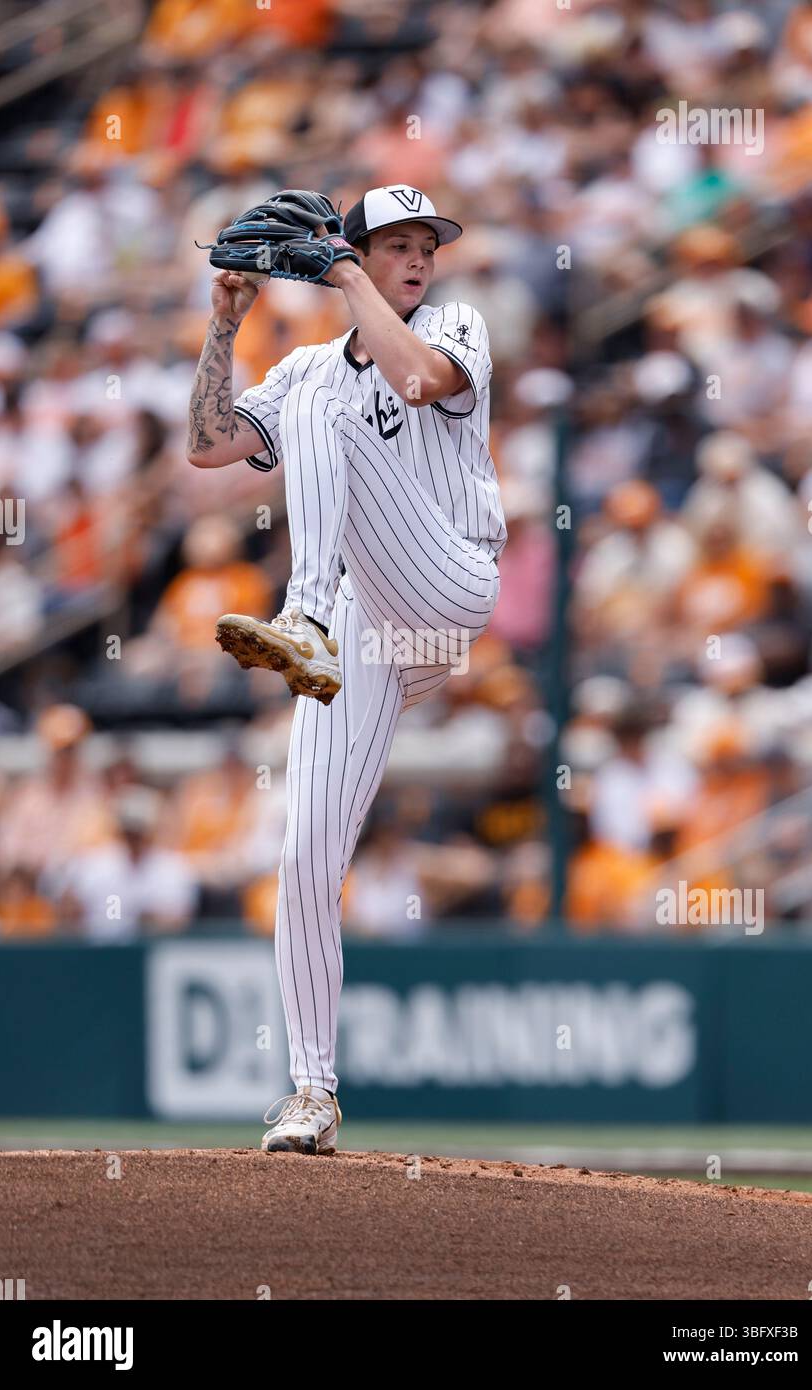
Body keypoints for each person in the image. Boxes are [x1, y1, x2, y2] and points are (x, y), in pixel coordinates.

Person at [187, 184, 505, 1154]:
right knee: (305, 853)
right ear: (360, 249)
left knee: (331, 395)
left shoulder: (454, 323)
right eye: (393, 244)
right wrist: (224, 325)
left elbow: (412, 380)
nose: (415, 259)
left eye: (424, 246)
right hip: (365, 623)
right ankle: (312, 1093)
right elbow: (208, 446)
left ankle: (305, 614)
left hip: (446, 578)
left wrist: (342, 271)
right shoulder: (313, 363)